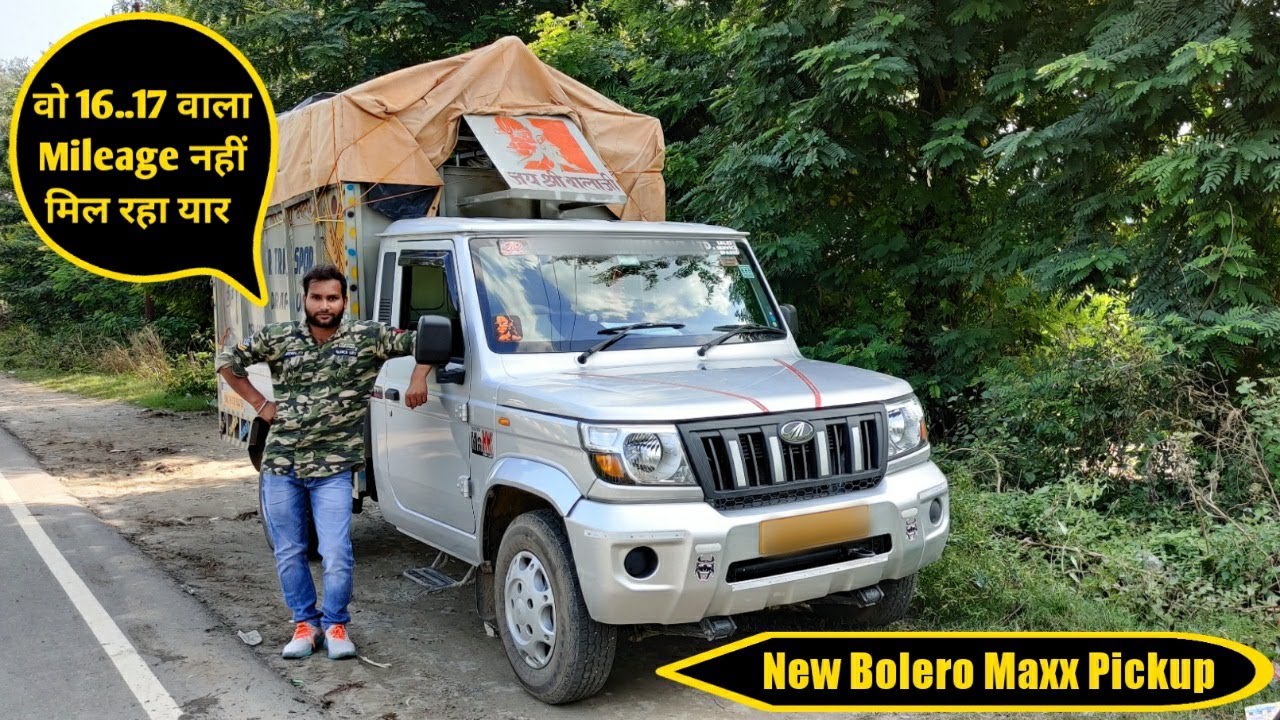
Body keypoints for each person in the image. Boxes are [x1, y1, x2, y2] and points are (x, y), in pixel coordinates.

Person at [215, 264, 430, 660]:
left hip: (332, 469)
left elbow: (430, 340)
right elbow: (227, 360)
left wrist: (419, 377)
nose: (325, 305)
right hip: (282, 465)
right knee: (290, 550)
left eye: (333, 298)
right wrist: (260, 405)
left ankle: (335, 624)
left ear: (344, 301)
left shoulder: (369, 337)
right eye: (317, 298)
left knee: (335, 552)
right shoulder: (279, 337)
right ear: (305, 299)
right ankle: (305, 624)